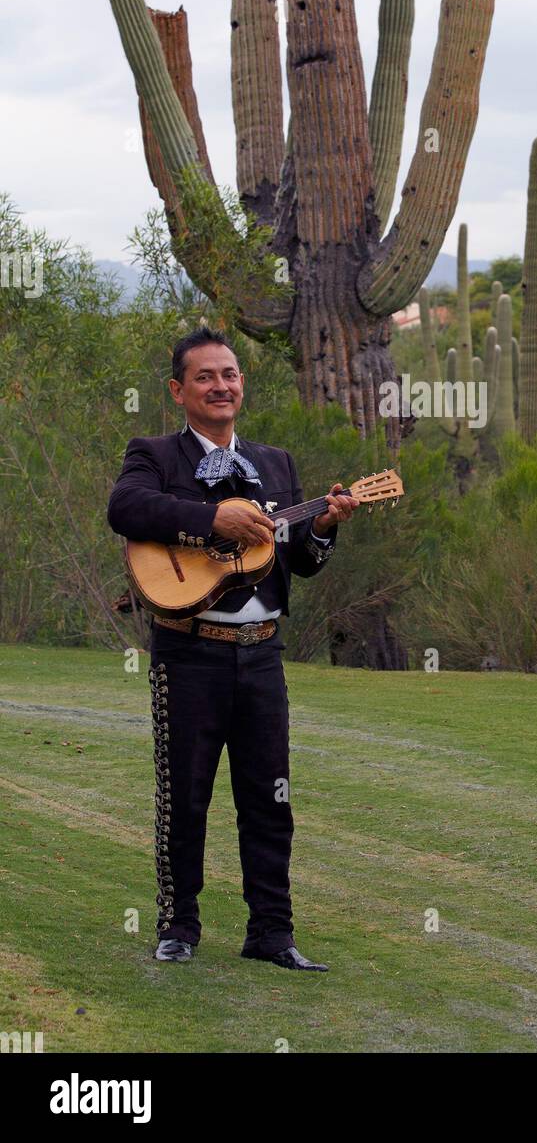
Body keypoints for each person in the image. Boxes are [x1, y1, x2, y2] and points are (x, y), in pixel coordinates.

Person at [107, 327, 358, 970]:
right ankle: (178, 928)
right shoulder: (155, 455)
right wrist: (209, 519)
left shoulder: (275, 463)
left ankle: (272, 935)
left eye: (231, 374)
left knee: (270, 798)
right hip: (188, 652)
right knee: (184, 796)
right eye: (206, 376)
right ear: (178, 390)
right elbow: (125, 508)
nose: (222, 385)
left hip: (262, 654)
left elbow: (296, 563)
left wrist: (323, 528)